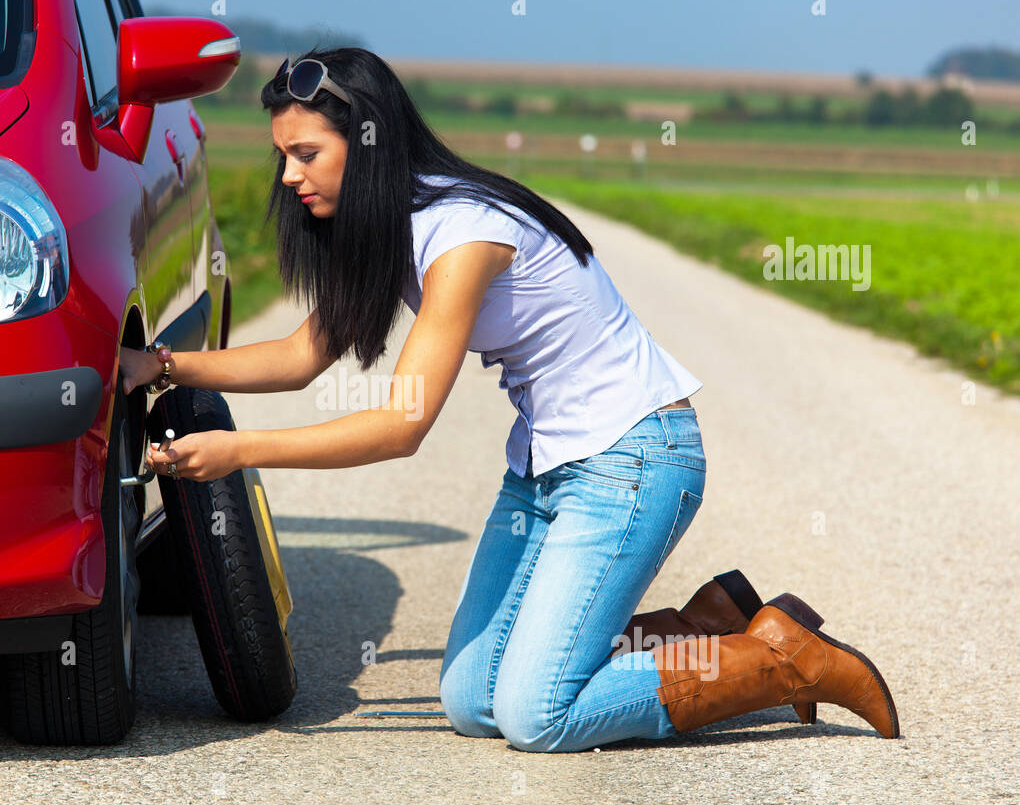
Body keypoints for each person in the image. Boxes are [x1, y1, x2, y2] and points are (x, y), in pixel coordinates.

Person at [119, 47, 899, 751]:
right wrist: (155, 366)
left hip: (633, 462)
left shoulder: (462, 235)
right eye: (283, 156)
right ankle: (701, 629)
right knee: (470, 700)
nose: (288, 177)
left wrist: (237, 452)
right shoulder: (392, 232)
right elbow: (299, 356)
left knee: (537, 715)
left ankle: (777, 658)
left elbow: (402, 423)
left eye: (305, 154)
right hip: (546, 471)